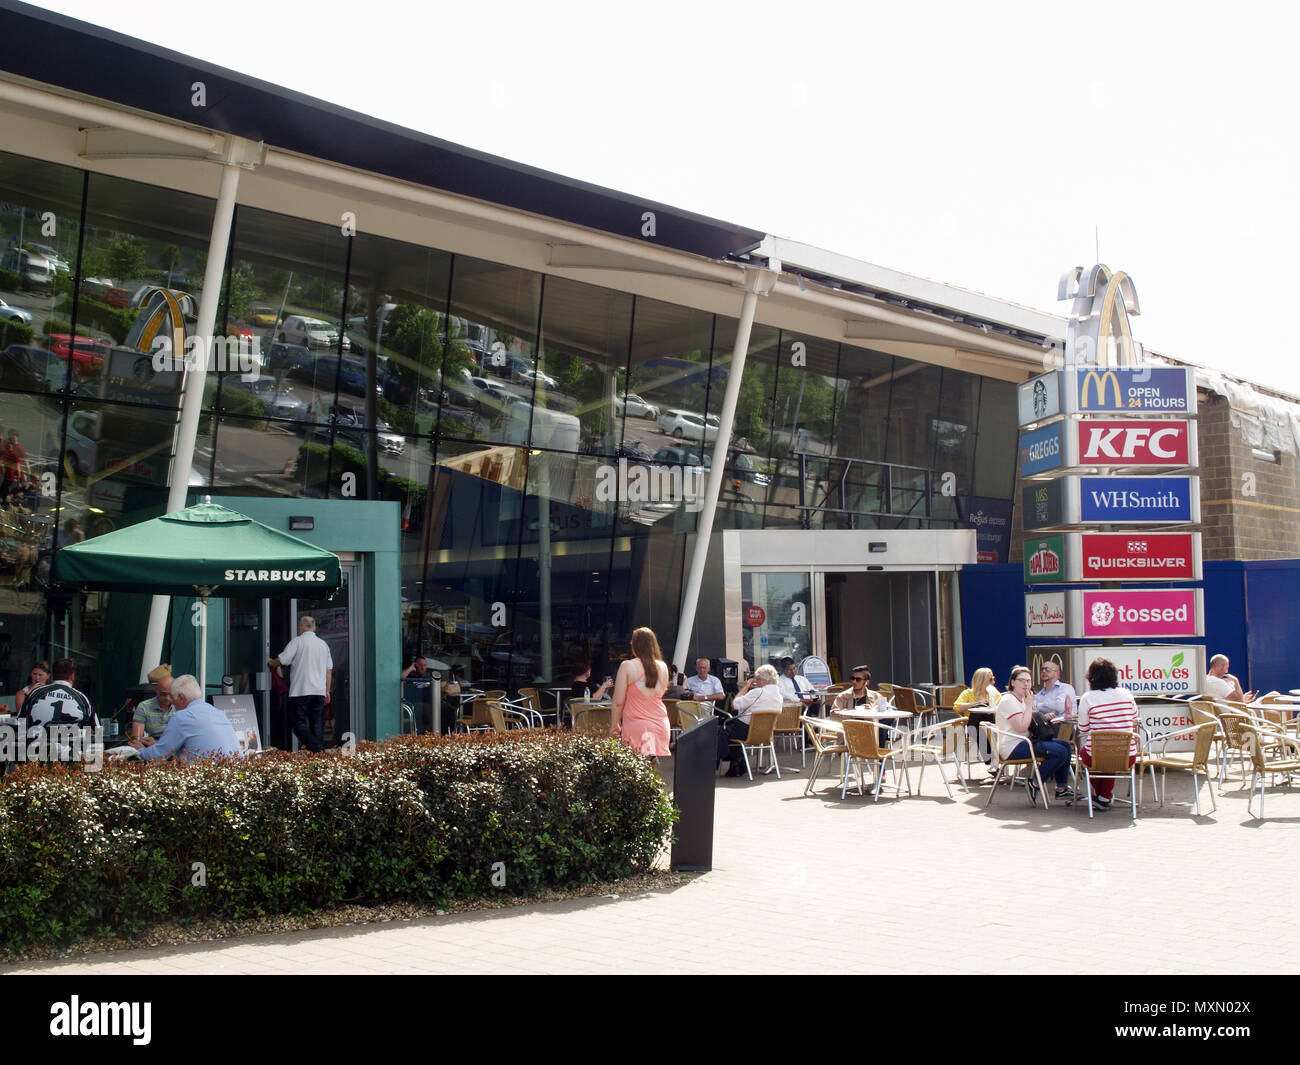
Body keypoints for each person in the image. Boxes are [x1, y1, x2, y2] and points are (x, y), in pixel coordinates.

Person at [994, 665, 1073, 804]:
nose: (1026, 684)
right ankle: (1035, 783)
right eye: (1021, 680)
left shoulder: (1022, 699)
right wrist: (1030, 705)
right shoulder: (1008, 700)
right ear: (1012, 682)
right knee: (1059, 752)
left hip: (1027, 741)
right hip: (1013, 746)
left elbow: (1029, 721)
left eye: (1028, 681)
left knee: (1066, 746)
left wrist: (1041, 716)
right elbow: (1021, 727)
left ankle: (1062, 789)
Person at [128, 673, 241, 762]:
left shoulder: (182, 717)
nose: (171, 702)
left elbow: (159, 755)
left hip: (203, 779)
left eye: (173, 698)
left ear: (181, 698)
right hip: (233, 775)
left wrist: (140, 751)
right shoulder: (219, 713)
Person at [1076, 656, 1140, 811]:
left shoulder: (1088, 698)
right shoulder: (1126, 694)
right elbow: (1134, 719)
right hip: (1127, 755)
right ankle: (1103, 796)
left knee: (1087, 753)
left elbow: (1083, 729)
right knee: (1110, 754)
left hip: (1098, 754)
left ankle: (1103, 796)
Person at [268, 614, 333, 753]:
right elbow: (329, 671)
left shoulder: (297, 642)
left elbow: (283, 660)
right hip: (319, 691)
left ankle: (316, 748)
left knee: (298, 724)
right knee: (317, 725)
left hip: (300, 690)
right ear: (314, 628)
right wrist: (327, 690)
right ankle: (318, 757)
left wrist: (272, 662)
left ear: (300, 627)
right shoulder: (323, 645)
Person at [610, 627, 671, 758]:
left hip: (636, 726)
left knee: (634, 772)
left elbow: (618, 702)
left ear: (635, 645)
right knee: (650, 770)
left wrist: (614, 725)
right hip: (660, 725)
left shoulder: (627, 666)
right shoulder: (663, 667)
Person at [718, 663, 784, 776]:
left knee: (720, 730)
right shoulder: (779, 696)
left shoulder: (758, 692)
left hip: (746, 730)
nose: (757, 683)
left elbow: (735, 705)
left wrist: (746, 686)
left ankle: (731, 760)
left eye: (757, 680)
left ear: (763, 680)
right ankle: (736, 761)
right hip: (764, 733)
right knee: (728, 732)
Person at [18, 657, 97, 730]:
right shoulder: (82, 699)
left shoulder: (35, 693)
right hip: (70, 744)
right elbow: (97, 730)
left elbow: (19, 722)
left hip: (37, 743)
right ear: (72, 676)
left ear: (52, 675)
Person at [131, 664, 175, 743]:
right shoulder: (144, 707)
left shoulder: (180, 707)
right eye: (163, 694)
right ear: (156, 690)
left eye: (171, 694)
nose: (167, 698)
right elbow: (136, 739)